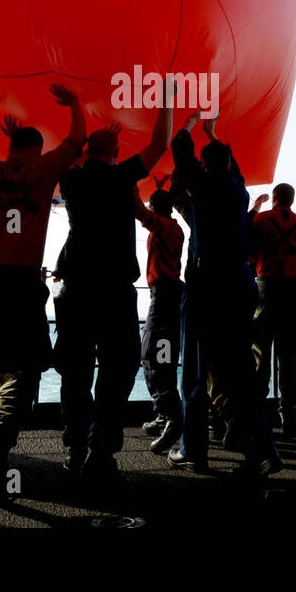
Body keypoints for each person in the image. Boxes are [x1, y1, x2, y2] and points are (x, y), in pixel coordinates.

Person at [0, 85, 86, 497]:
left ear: (10, 149)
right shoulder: (44, 170)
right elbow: (76, 141)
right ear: (37, 149)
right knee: (23, 371)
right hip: (22, 282)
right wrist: (75, 105)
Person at [53, 94, 172, 482]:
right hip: (116, 292)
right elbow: (159, 144)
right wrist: (167, 100)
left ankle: (74, 449)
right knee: (117, 371)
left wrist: (76, 107)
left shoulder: (70, 179)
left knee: (75, 371)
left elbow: (72, 147)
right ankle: (102, 453)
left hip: (76, 289)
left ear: (88, 151)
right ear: (118, 151)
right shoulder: (125, 178)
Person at [168, 110, 281, 477]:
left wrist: (187, 126)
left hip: (206, 287)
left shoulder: (206, 186)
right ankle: (264, 452)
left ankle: (193, 451)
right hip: (239, 285)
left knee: (195, 375)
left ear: (204, 165)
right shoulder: (239, 191)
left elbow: (182, 156)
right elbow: (216, 165)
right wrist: (212, 133)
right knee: (242, 374)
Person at [249, 183, 296, 435]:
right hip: (293, 292)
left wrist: (255, 207)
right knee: (288, 357)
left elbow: (249, 249)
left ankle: (258, 415)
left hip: (266, 288)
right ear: (292, 199)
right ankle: (289, 415)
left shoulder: (262, 219)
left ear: (274, 198)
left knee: (260, 353)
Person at [135, 179, 186, 453]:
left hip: (163, 296)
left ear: (157, 209)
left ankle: (172, 417)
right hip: (170, 295)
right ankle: (165, 412)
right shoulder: (175, 227)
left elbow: (141, 214)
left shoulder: (163, 226)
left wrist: (131, 185)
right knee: (163, 354)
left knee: (154, 354)